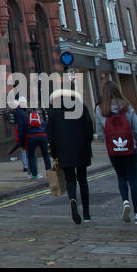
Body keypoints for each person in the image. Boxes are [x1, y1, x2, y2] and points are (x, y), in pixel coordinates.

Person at [48, 88, 94, 225]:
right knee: (83, 180)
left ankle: (73, 199)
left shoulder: (54, 111)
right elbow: (89, 130)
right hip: (81, 150)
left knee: (70, 180)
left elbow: (51, 135)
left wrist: (55, 154)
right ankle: (86, 214)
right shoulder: (81, 107)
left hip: (64, 151)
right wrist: (87, 145)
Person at [101, 84, 137, 224]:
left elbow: (100, 133)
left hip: (113, 149)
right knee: (133, 178)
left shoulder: (100, 109)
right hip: (130, 147)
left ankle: (125, 201)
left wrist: (108, 144)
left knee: (121, 177)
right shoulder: (127, 106)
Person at [20, 100, 51, 179]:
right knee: (46, 155)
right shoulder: (40, 119)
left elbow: (24, 130)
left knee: (31, 155)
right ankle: (49, 173)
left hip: (31, 137)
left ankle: (34, 174)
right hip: (42, 136)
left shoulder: (27, 120)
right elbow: (46, 128)